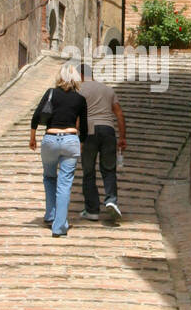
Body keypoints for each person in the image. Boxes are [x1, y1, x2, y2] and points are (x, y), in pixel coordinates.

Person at [29, 63, 88, 237]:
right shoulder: (80, 99)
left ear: (60, 77)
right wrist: (81, 145)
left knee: (49, 177)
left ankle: (50, 214)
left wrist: (32, 138)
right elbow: (83, 127)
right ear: (76, 79)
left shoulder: (51, 93)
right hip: (70, 140)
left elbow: (36, 116)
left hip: (50, 138)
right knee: (65, 184)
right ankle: (59, 226)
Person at [78, 61, 126, 222]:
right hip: (108, 130)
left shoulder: (79, 90)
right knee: (109, 169)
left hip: (89, 131)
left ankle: (92, 210)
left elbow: (77, 115)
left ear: (80, 76)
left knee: (88, 170)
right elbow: (119, 114)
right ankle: (111, 201)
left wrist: (77, 136)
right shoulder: (108, 90)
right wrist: (122, 137)